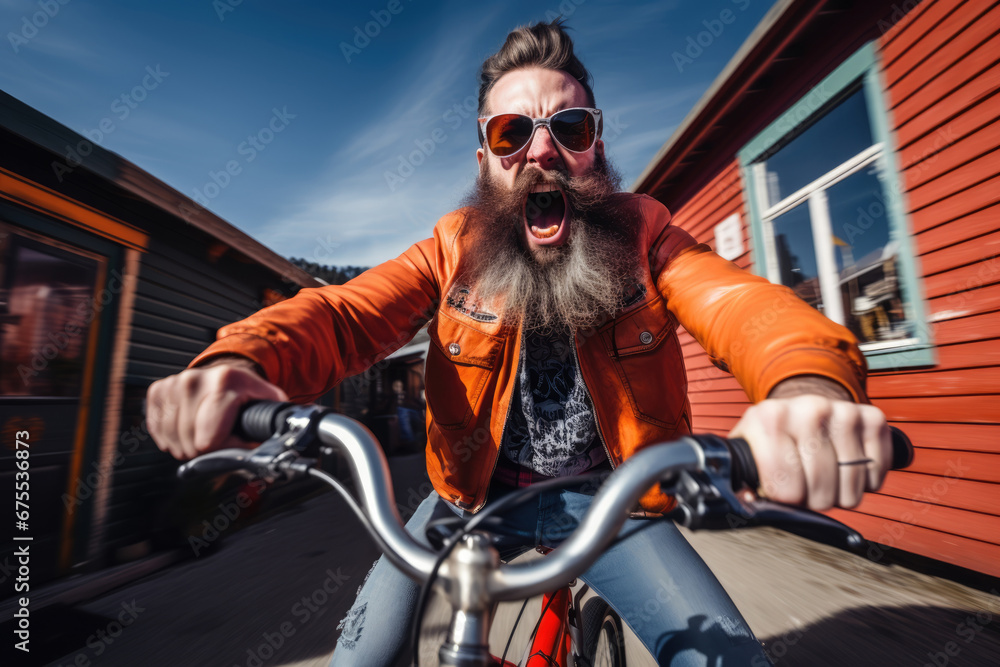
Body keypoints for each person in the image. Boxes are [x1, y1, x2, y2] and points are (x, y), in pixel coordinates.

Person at [147, 20, 892, 665]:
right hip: (471, 498)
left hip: (614, 499)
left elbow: (736, 302)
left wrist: (804, 386)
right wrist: (239, 361)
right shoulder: (452, 245)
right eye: (512, 133)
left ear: (595, 150)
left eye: (569, 130)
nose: (541, 152)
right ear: (485, 161)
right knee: (364, 652)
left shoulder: (645, 232)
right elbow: (348, 315)